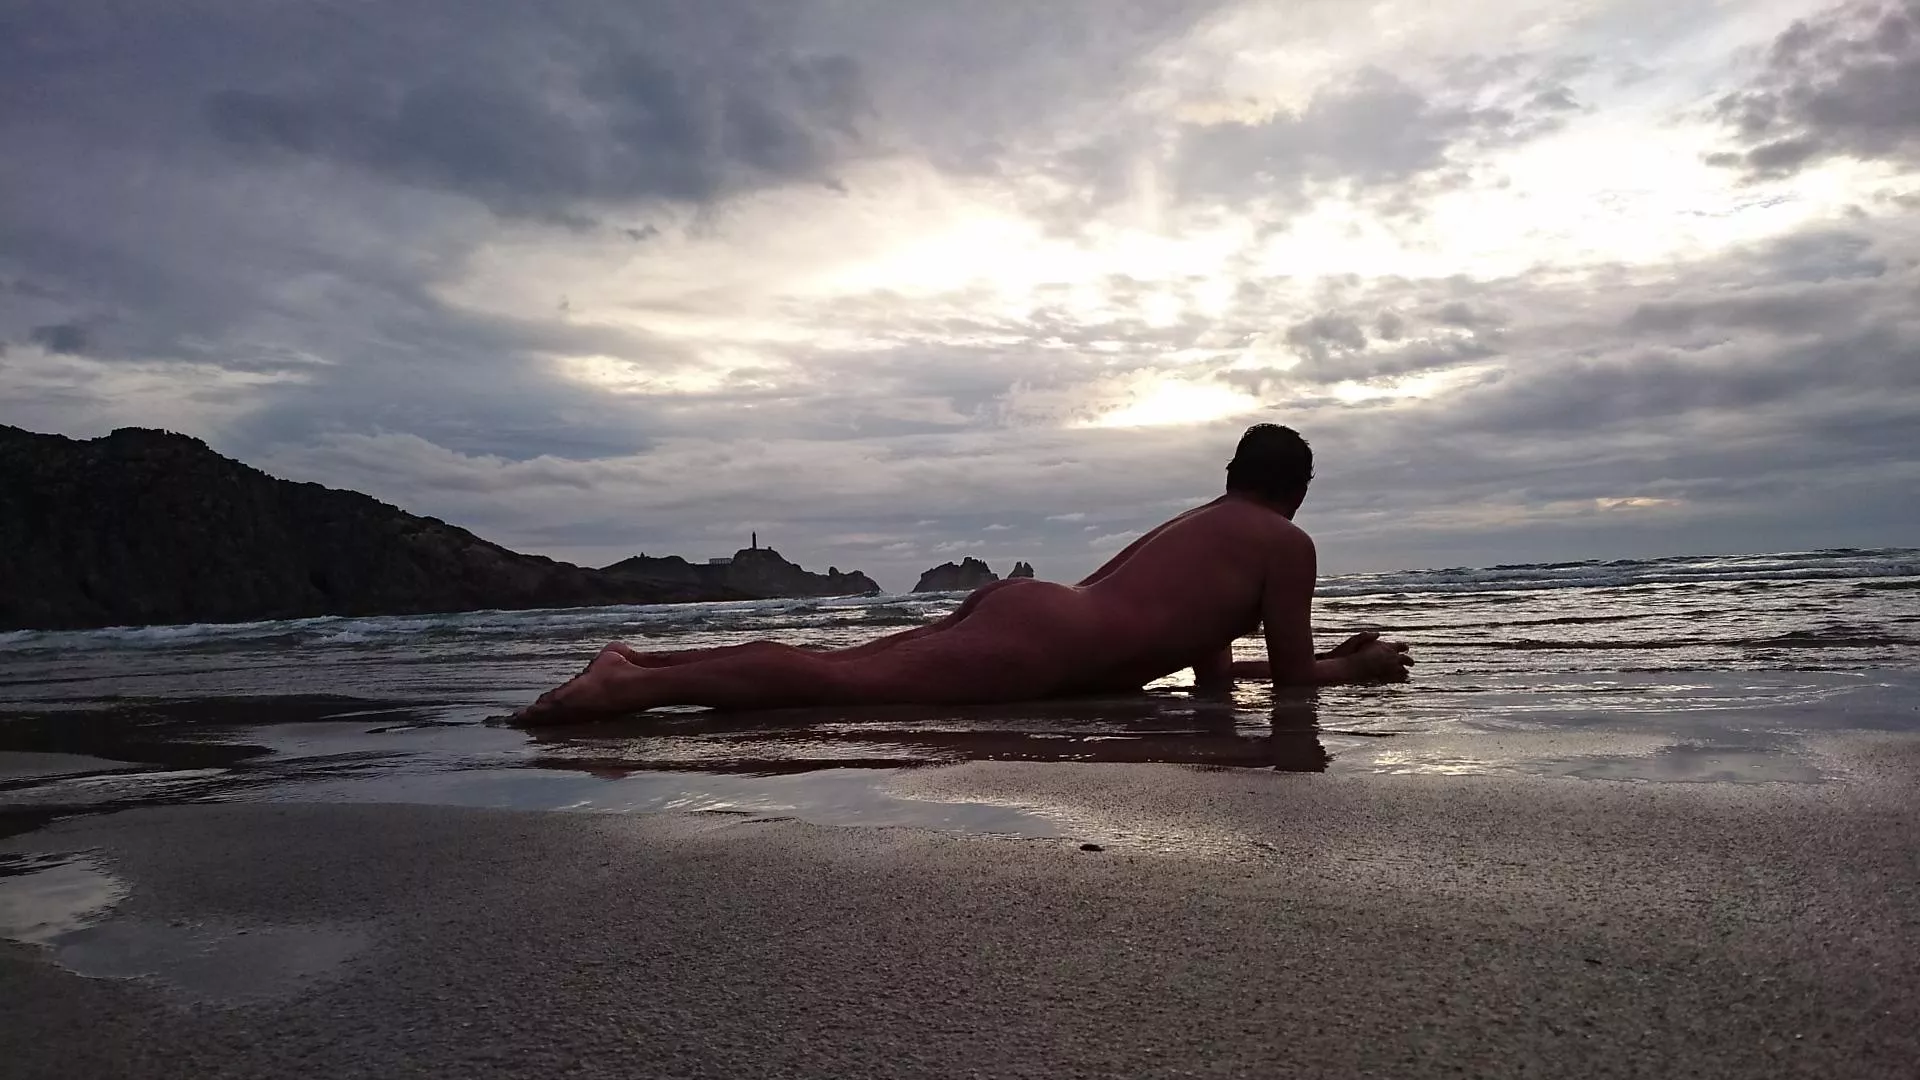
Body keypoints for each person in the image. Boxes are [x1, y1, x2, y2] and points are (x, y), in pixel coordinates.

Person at [516, 423, 1413, 724]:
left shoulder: (1203, 528)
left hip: (1038, 614)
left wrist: (1322, 658)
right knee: (834, 690)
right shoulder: (1284, 543)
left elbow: (1210, 680)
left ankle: (638, 665)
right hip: (1047, 642)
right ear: (1296, 490)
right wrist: (1357, 666)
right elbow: (1297, 686)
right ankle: (620, 693)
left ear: (1230, 477)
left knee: (841, 671)